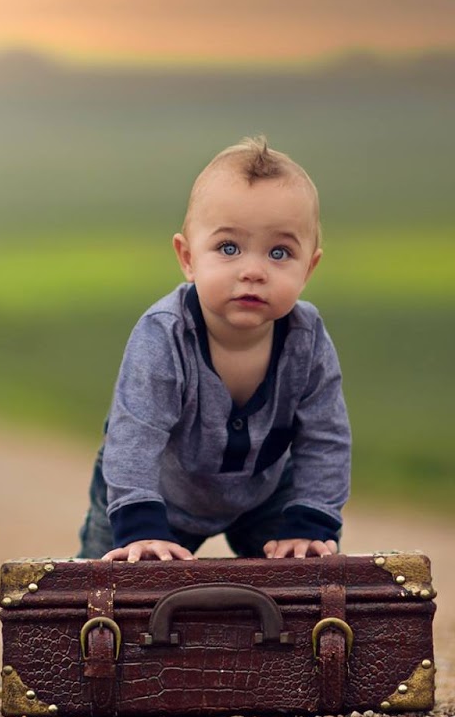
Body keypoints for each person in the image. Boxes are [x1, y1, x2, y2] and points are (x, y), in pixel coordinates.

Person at [75, 135, 350, 562]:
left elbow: (325, 437)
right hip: (153, 496)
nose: (253, 271)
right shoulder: (165, 334)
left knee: (308, 570)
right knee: (101, 598)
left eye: (280, 252)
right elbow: (134, 437)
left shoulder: (306, 337)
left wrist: (310, 523)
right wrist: (140, 528)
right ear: (187, 258)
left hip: (264, 495)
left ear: (309, 267)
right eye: (228, 248)